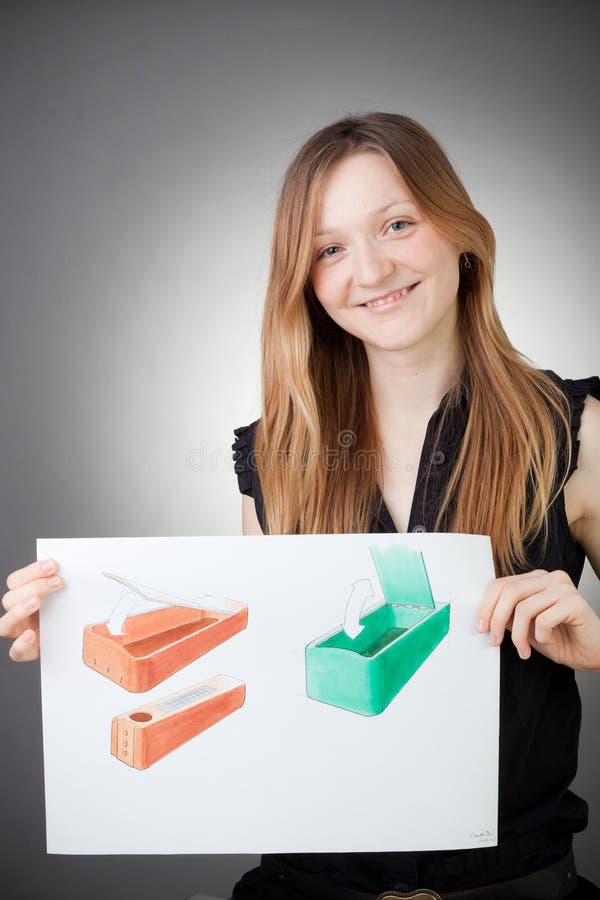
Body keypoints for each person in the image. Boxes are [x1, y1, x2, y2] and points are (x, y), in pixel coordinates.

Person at [2, 113, 600, 899]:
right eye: (330, 248)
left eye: (396, 223)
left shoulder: (578, 433)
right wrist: (87, 641)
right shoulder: (276, 459)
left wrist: (598, 646)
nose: (372, 269)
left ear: (461, 231)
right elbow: (269, 680)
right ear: (307, 280)